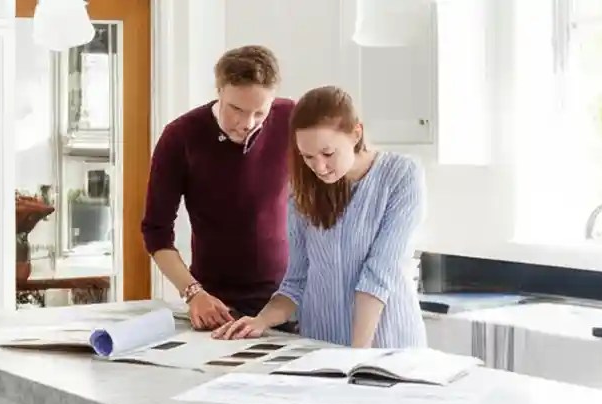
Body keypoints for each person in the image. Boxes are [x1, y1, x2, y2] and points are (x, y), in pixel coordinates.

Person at [213, 86, 427, 349]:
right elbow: (296, 281)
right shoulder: (303, 191)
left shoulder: (402, 175)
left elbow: (379, 274)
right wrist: (260, 321)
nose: (319, 167)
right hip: (321, 345)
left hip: (388, 346)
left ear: (356, 134)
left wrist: (357, 355)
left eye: (328, 154)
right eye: (308, 157)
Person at [141, 46, 296, 331]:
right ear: (219, 90)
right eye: (236, 109)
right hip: (216, 306)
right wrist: (193, 293)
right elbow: (156, 232)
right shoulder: (180, 137)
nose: (247, 124)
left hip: (286, 303)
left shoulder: (291, 119)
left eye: (260, 112)